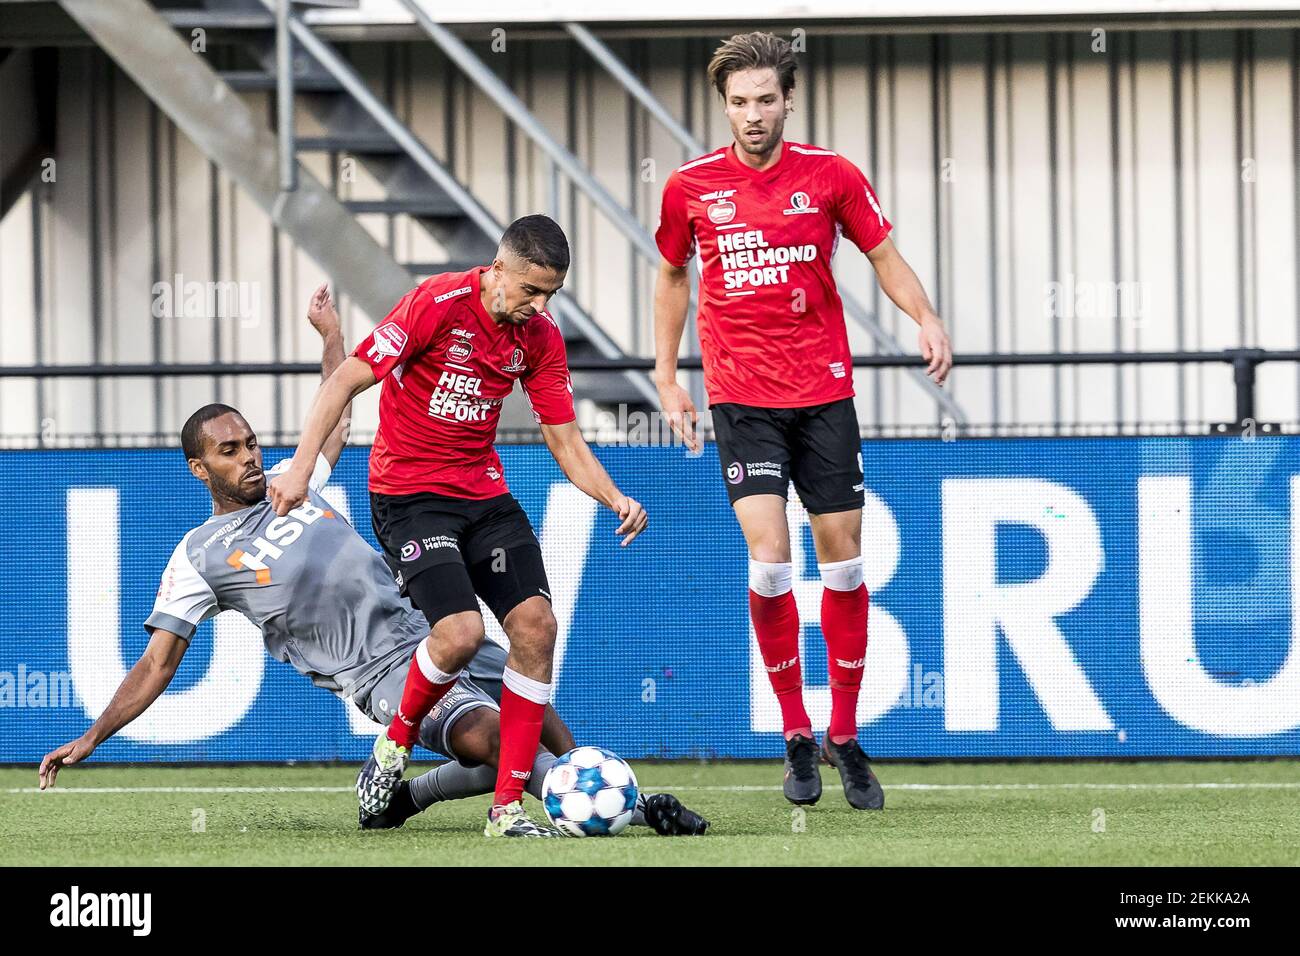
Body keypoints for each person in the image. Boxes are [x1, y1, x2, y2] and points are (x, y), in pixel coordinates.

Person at [38, 286, 706, 838]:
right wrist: (93, 735)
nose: (246, 456)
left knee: (538, 711)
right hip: (379, 674)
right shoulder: (199, 555)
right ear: (198, 467)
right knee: (501, 738)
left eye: (248, 443)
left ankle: (416, 798)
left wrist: (331, 337)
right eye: (228, 450)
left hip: (430, 629)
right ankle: (621, 808)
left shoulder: (289, 486)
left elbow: (336, 418)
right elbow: (158, 663)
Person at [268, 217, 650, 837]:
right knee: (461, 633)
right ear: (497, 270)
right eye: (530, 290)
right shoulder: (435, 304)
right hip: (409, 495)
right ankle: (393, 747)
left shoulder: (540, 337)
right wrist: (303, 469)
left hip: (483, 495)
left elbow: (564, 436)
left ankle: (506, 810)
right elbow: (346, 380)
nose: (539, 305)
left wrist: (613, 495)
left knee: (536, 627)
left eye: (551, 293)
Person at [652, 32, 953, 810]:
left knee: (844, 561)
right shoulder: (690, 188)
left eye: (764, 100)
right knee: (768, 553)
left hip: (822, 394)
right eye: (738, 102)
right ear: (724, 106)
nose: (752, 115)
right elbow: (673, 277)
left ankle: (844, 734)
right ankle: (794, 731)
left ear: (788, 99)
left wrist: (924, 317)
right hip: (741, 398)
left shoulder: (831, 176)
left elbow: (884, 254)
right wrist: (667, 374)